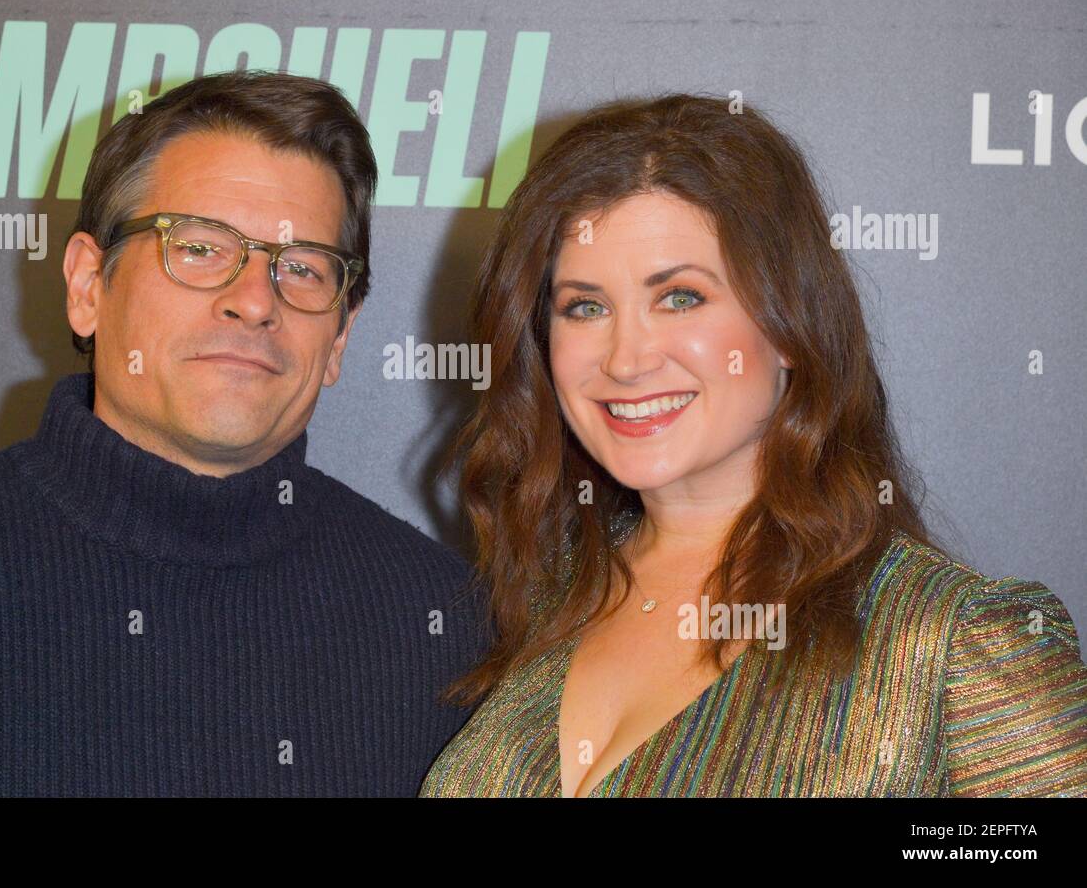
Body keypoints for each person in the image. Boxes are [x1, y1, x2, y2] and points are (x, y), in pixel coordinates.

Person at [0, 70, 487, 797]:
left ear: (339, 338)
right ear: (89, 285)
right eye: (200, 247)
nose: (254, 301)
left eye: (303, 268)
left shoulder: (440, 628)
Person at [420, 94, 1087, 797]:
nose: (625, 358)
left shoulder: (956, 643)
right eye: (585, 306)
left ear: (790, 324)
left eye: (679, 297)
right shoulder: (549, 597)